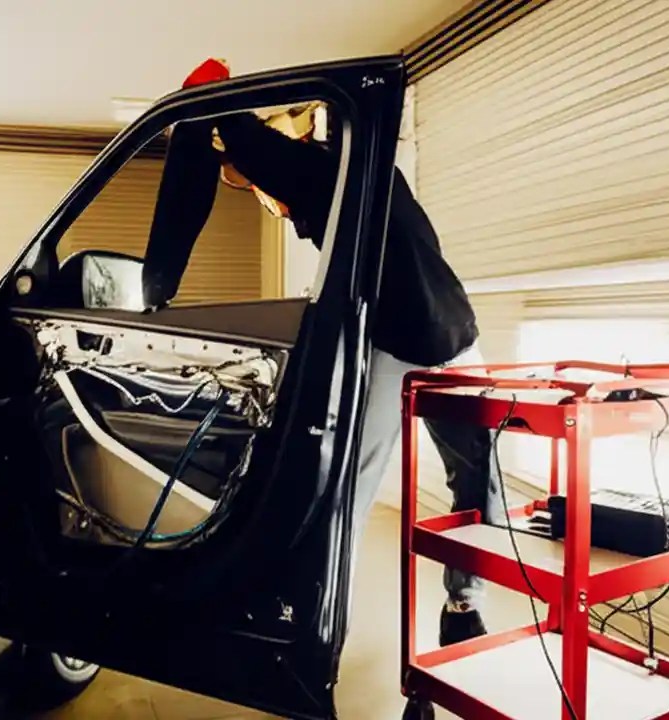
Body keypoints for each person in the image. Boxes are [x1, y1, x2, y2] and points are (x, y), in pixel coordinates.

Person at [152, 59, 504, 647]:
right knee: (474, 474)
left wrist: (207, 98)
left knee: (342, 489)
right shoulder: (359, 178)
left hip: (404, 340)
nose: (263, 198)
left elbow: (252, 145)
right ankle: (462, 604)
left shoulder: (328, 176)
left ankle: (315, 625)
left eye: (252, 186)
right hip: (458, 334)